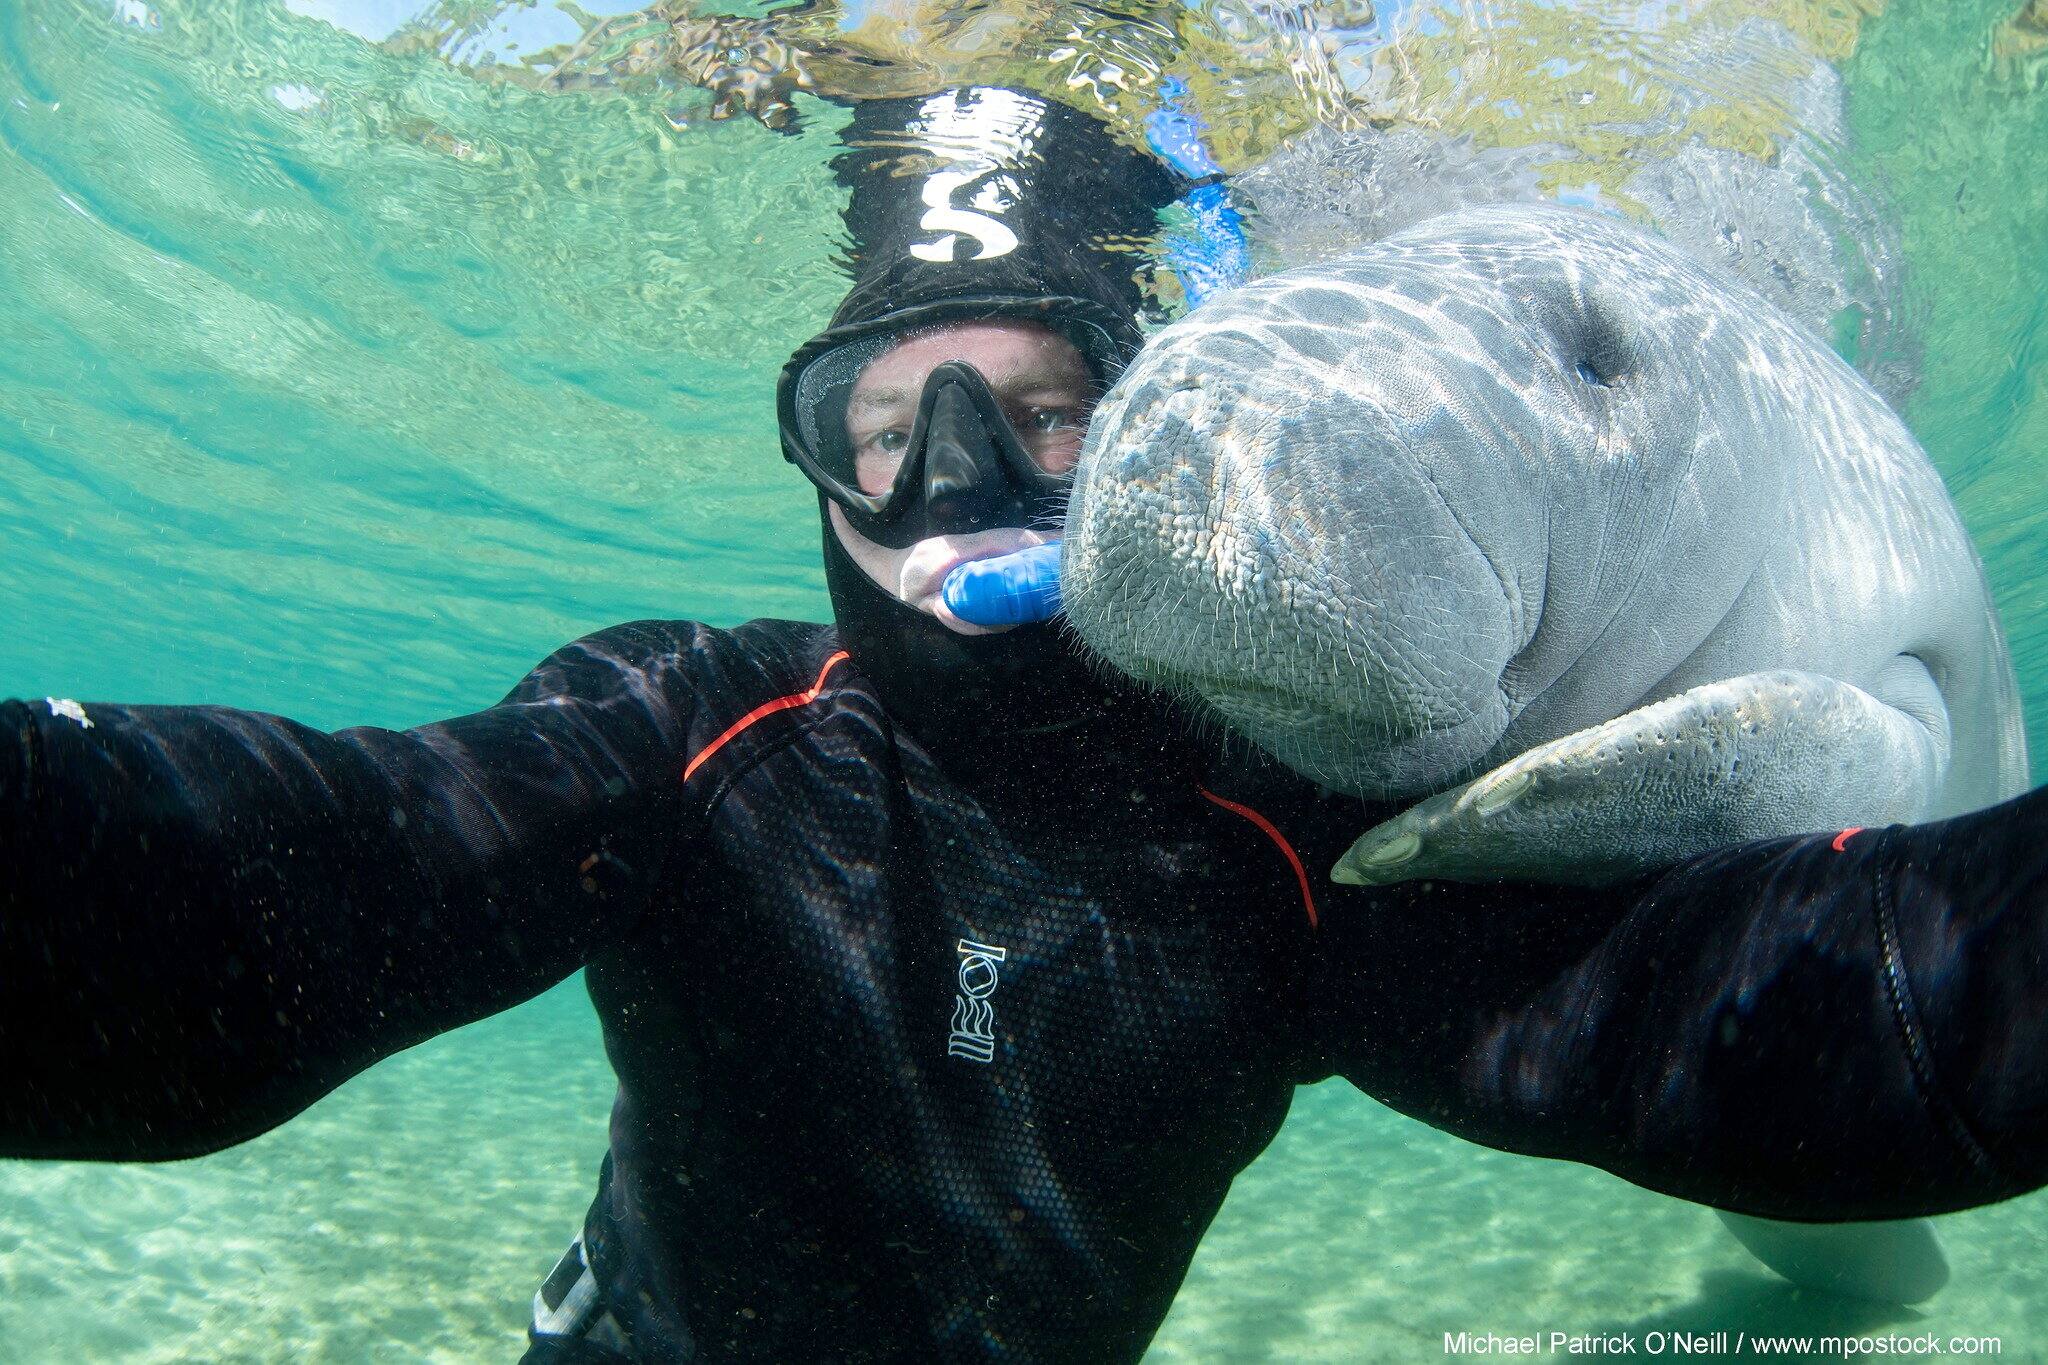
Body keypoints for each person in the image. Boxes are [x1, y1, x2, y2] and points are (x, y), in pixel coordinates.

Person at [3, 87, 2046, 1364]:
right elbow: (294, 882)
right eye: (883, 431)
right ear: (814, 481)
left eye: (1048, 415)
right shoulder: (704, 734)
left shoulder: (1289, 830)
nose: (963, 481)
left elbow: (1776, 1026)